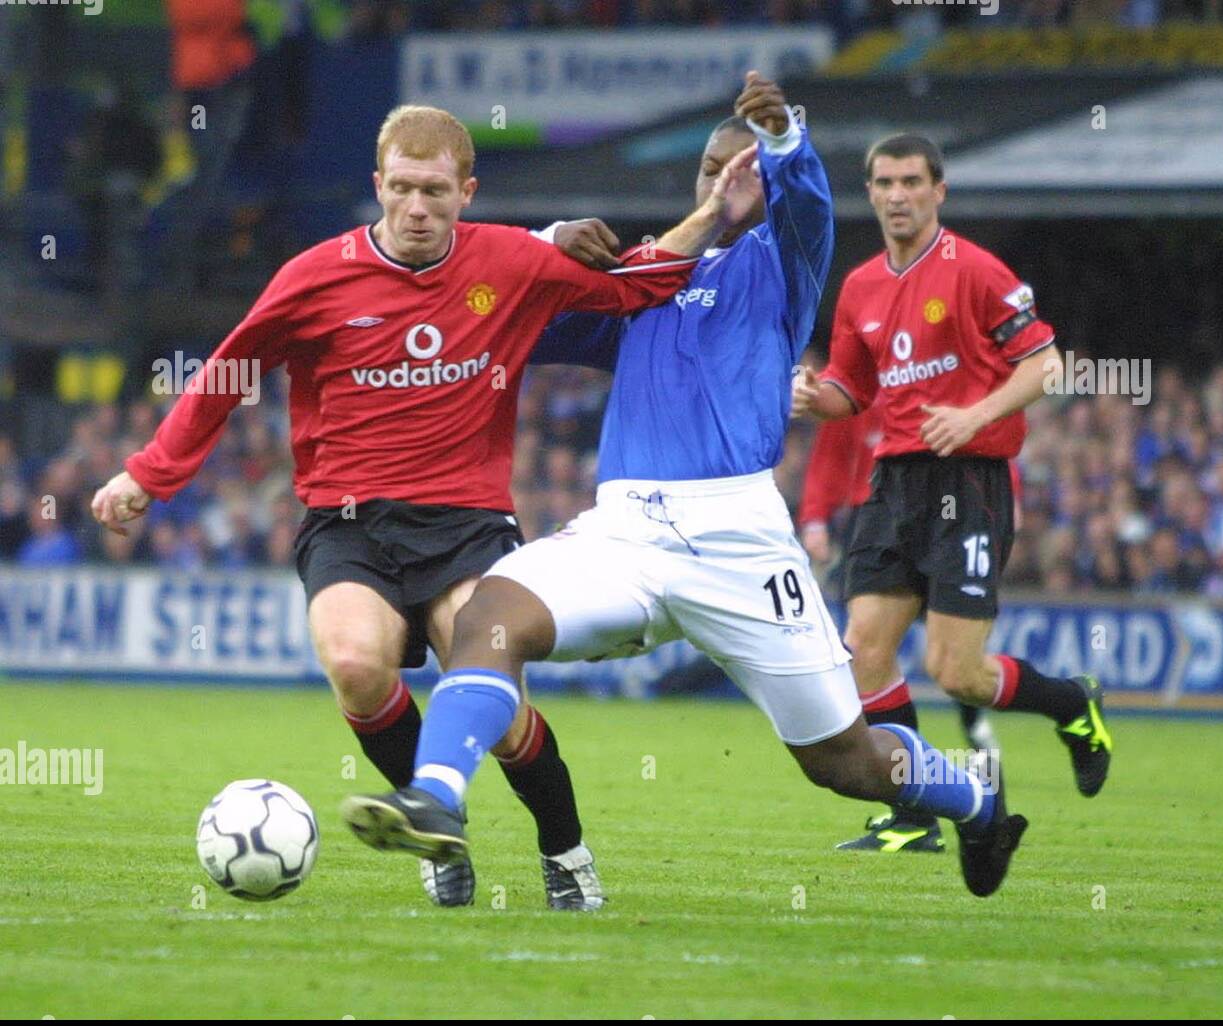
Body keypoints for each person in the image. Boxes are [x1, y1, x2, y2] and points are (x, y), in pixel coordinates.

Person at [342, 74, 1030, 900]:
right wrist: (549, 236)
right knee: (492, 613)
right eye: (711, 170)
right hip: (625, 532)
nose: (724, 181)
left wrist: (783, 142)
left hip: (739, 538)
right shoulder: (639, 276)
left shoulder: (782, 263)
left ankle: (978, 802)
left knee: (841, 763)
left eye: (741, 170)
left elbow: (807, 204)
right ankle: (438, 800)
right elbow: (497, 302)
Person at [90, 103, 731, 911]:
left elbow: (640, 282)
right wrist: (147, 475)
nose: (417, 208)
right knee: (355, 666)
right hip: (347, 525)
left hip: (467, 524)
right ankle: (437, 824)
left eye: (434, 191)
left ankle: (564, 851)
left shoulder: (510, 261)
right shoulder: (315, 275)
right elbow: (228, 369)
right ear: (378, 186)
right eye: (401, 189)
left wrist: (714, 210)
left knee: (495, 704)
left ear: (467, 191)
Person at [792, 133, 1112, 852]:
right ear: (870, 192)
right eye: (884, 182)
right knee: (864, 653)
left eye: (912, 181)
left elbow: (1047, 364)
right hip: (894, 482)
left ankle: (1072, 704)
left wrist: (976, 414)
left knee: (956, 672)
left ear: (939, 191)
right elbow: (854, 388)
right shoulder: (861, 285)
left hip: (969, 481)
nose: (897, 195)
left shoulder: (975, 270)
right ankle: (913, 810)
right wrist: (819, 398)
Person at [796, 399, 1004, 853]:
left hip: (955, 508)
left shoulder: (946, 367)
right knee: (866, 650)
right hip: (873, 513)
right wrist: (815, 516)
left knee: (953, 657)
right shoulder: (859, 374)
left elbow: (995, 415)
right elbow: (831, 450)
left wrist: (1012, 498)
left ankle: (981, 745)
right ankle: (916, 813)